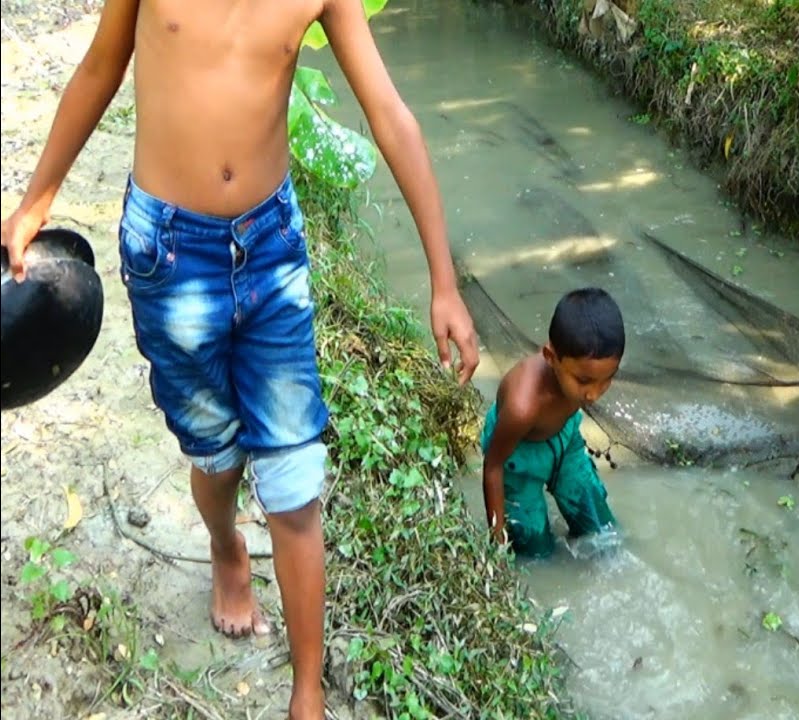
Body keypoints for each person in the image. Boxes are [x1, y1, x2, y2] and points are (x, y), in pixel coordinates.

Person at [0, 2, 480, 717]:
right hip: (168, 253)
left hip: (271, 251)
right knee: (215, 454)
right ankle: (226, 544)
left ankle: (307, 692)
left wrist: (444, 280)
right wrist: (36, 199)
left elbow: (390, 113)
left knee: (294, 477)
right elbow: (102, 65)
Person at [480, 287, 623, 558]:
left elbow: (588, 385)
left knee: (602, 531)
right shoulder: (523, 407)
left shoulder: (579, 380)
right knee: (534, 551)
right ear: (550, 357)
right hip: (517, 457)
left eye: (607, 379)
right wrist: (497, 540)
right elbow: (493, 466)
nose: (593, 394)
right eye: (584, 381)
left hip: (565, 439)